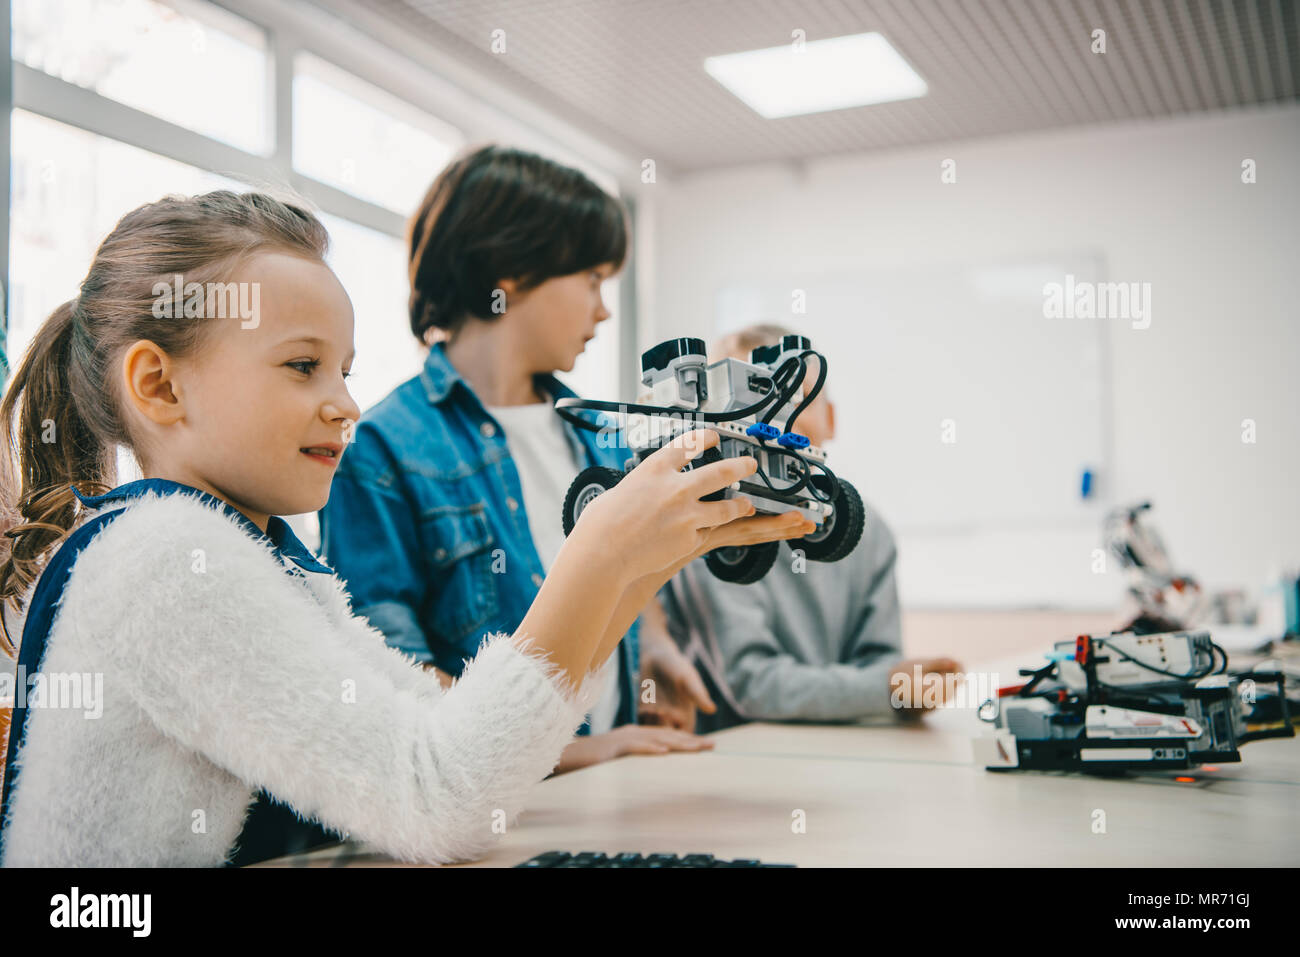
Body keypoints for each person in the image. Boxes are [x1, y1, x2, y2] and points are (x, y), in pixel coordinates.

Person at [0, 191, 813, 866]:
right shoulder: (166, 563)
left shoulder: (245, 555)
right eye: (301, 365)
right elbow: (436, 797)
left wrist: (637, 569)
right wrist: (600, 554)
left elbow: (427, 726)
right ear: (160, 385)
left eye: (345, 371)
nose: (346, 403)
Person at [320, 145, 721, 772]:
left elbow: (629, 574)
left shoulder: (599, 434)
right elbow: (398, 688)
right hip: (496, 823)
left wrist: (656, 651)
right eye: (591, 279)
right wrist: (577, 752)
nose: (603, 307)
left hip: (612, 793)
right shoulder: (382, 449)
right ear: (509, 271)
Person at [659, 323, 962, 732]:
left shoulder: (870, 533)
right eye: (753, 398)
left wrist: (894, 685)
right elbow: (751, 683)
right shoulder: (708, 526)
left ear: (831, 419)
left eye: (797, 399)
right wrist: (886, 688)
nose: (778, 419)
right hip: (733, 757)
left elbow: (879, 664)